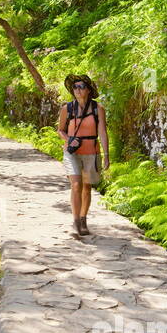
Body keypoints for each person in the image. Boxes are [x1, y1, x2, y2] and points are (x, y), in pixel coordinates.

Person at [57, 74, 109, 236]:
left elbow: (102, 132)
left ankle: (83, 219)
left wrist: (106, 154)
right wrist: (68, 139)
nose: (77, 90)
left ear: (88, 90)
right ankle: (75, 221)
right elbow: (60, 130)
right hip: (72, 152)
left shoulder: (97, 109)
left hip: (91, 151)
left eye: (81, 87)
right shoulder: (68, 108)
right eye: (75, 87)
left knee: (86, 187)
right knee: (76, 185)